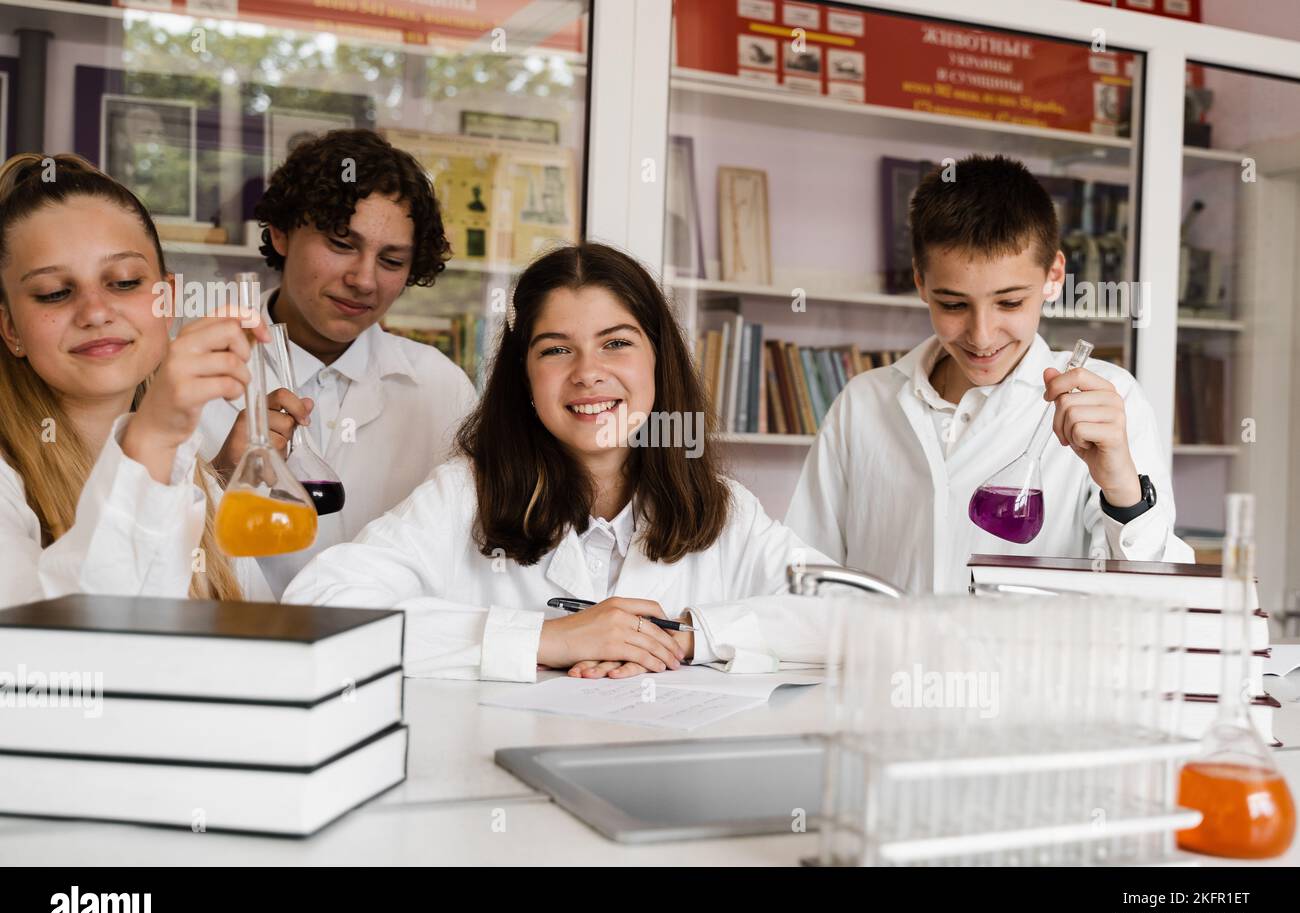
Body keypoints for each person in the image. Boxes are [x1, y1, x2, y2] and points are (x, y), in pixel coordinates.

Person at [283, 242, 832, 681]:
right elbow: (318, 612)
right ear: (524, 376)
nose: (588, 372)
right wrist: (547, 639)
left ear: (659, 360)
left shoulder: (724, 509)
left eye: (616, 343)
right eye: (556, 348)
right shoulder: (463, 496)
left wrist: (687, 637)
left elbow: (851, 615)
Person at [786, 154, 1193, 595]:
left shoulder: (1110, 401)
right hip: (880, 663)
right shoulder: (864, 403)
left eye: (1011, 303)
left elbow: (1153, 599)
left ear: (1054, 276)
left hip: (1031, 665)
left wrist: (1121, 485)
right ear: (921, 282)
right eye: (953, 304)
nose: (981, 336)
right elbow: (803, 577)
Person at [198, 129, 477, 597]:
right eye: (342, 244)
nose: (364, 280)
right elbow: (150, 560)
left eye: (390, 260)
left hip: (391, 654)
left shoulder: (440, 388)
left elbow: (465, 563)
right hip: (236, 648)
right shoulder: (198, 375)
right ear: (282, 233)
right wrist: (224, 475)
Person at [0, 153, 271, 607]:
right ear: (10, 329)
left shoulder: (199, 482)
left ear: (167, 298)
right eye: (54, 293)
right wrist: (153, 437)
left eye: (124, 282)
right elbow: (51, 658)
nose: (95, 312)